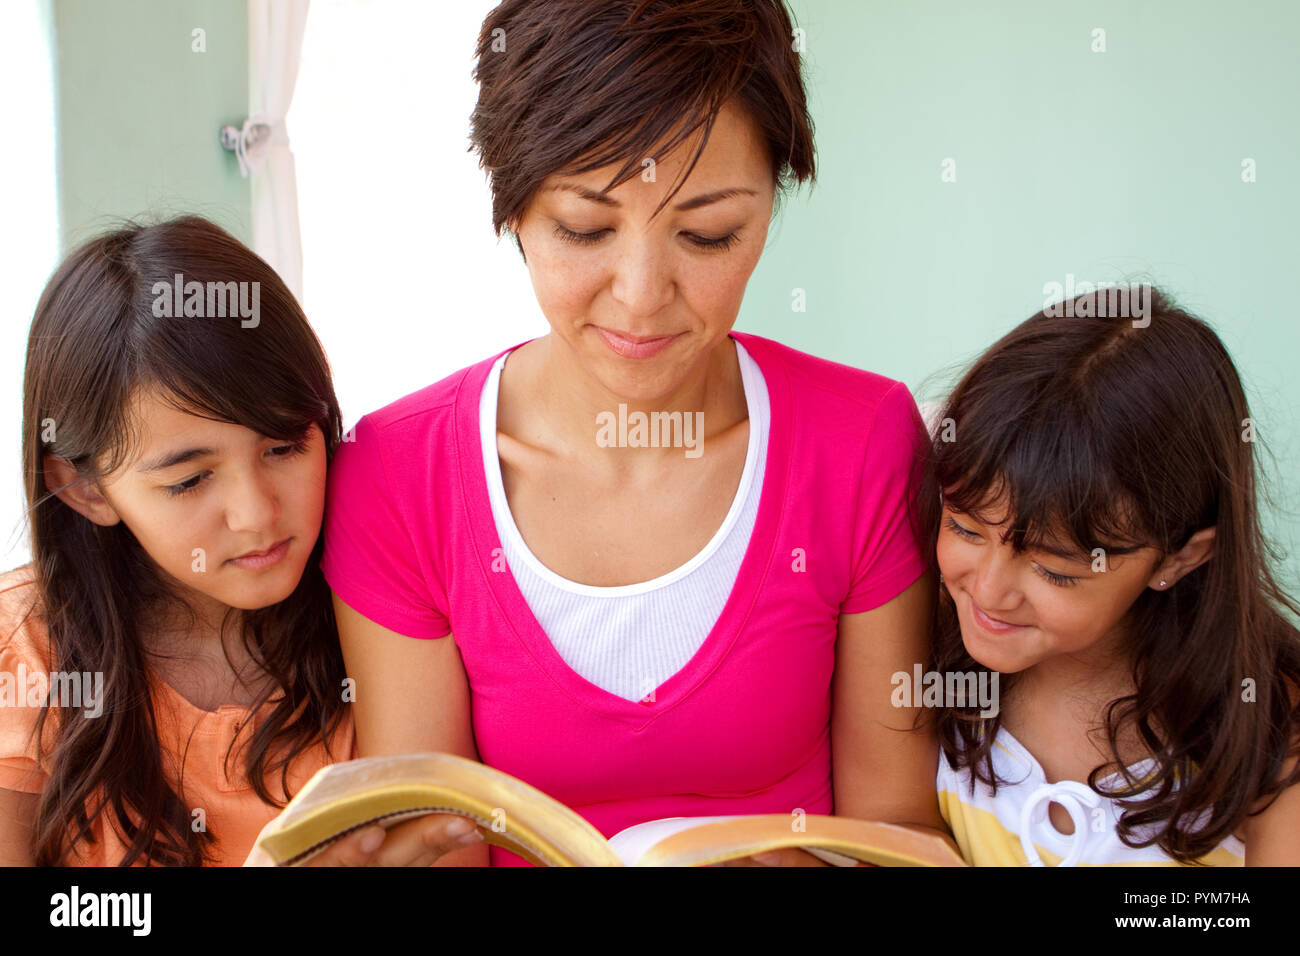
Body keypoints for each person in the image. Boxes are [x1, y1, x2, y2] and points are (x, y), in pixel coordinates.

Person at [323, 0, 951, 865]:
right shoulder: (399, 475)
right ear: (510, 209)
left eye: (708, 233)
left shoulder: (862, 442)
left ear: (775, 199)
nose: (642, 294)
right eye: (584, 229)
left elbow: (904, 836)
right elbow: (430, 839)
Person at [0, 216, 480, 866]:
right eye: (191, 479)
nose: (257, 515)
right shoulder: (22, 654)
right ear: (86, 490)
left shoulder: (386, 611)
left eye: (284, 446)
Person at [924, 288, 1300, 865]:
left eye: (1054, 569)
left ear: (1180, 557)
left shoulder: (1272, 729)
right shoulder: (916, 647)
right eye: (967, 529)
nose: (989, 590)